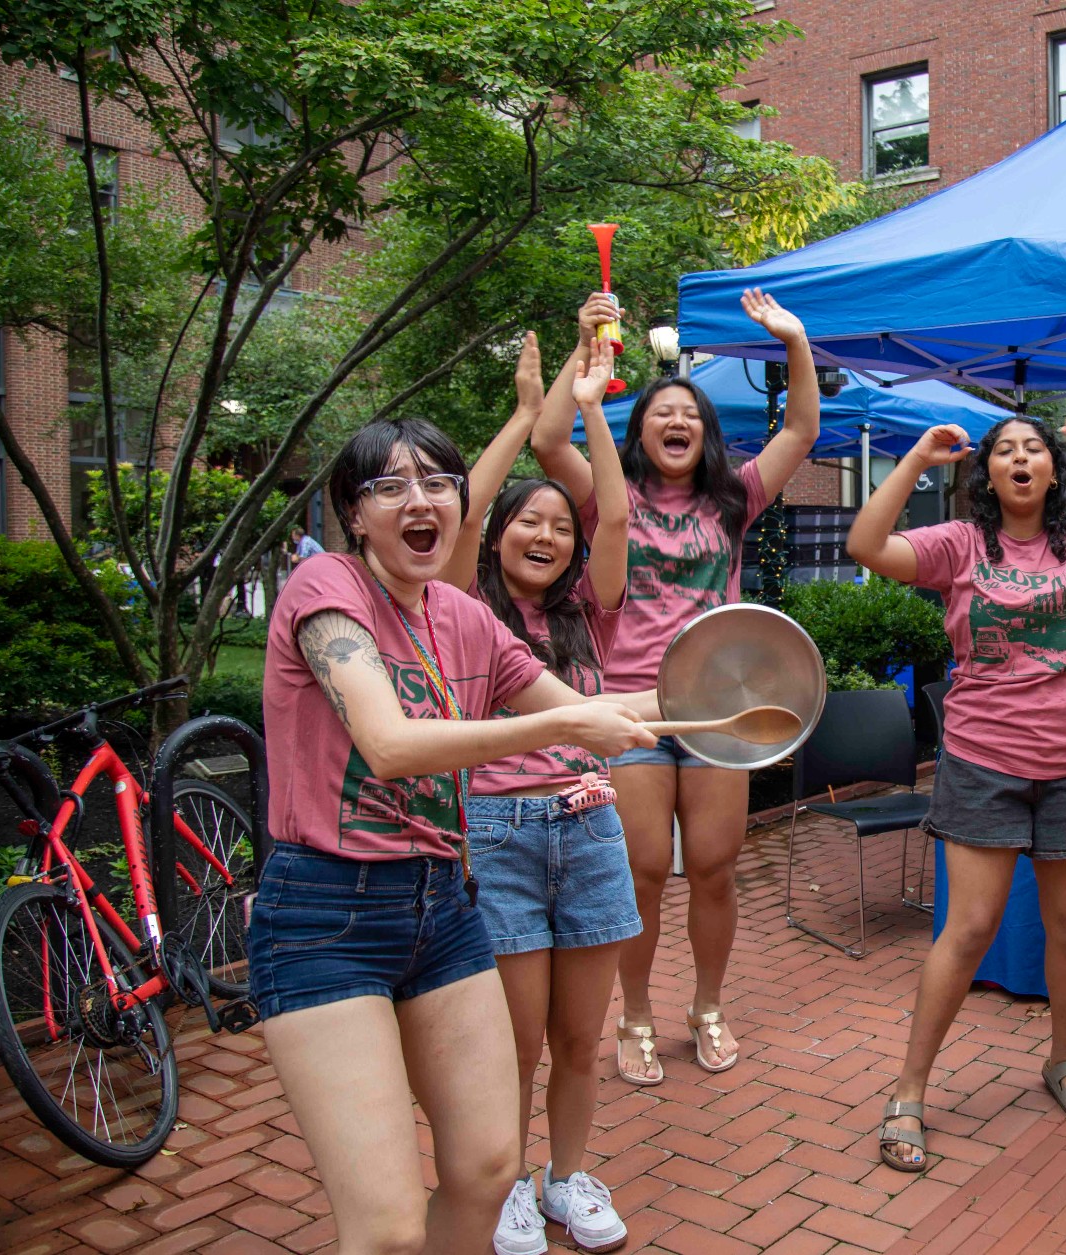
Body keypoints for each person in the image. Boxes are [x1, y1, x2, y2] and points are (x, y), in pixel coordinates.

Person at [248, 415, 656, 1255]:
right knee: (392, 1228)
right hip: (326, 913)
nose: (419, 499)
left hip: (440, 907)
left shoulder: (464, 620)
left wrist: (748, 702)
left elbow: (589, 708)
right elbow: (390, 743)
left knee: (482, 1171)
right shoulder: (325, 589)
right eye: (389, 486)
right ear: (354, 515)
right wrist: (562, 730)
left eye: (437, 481)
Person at [847, 407, 1066, 1173]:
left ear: (1053, 469)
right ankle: (909, 1088)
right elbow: (866, 545)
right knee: (966, 930)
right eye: (1005, 450)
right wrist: (915, 460)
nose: (1021, 458)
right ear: (988, 473)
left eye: (1035, 448)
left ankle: (1062, 1058)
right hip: (983, 762)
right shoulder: (961, 544)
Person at [531, 287, 818, 1084]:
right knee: (646, 867)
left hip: (719, 708)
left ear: (706, 431)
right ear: (640, 429)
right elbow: (549, 436)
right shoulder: (602, 499)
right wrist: (584, 345)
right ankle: (636, 1013)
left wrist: (793, 341)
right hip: (631, 709)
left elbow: (800, 429)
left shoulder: (733, 500)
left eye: (689, 413)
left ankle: (709, 1006)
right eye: (662, 412)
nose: (676, 421)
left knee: (718, 865)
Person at [434, 332, 655, 1254]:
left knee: (579, 1035)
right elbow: (467, 508)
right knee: (515, 1042)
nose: (546, 534)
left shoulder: (586, 609)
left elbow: (613, 517)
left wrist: (594, 406)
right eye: (532, 521)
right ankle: (516, 1182)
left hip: (591, 828)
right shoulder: (461, 605)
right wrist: (529, 413)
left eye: (558, 528)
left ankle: (567, 1176)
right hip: (498, 835)